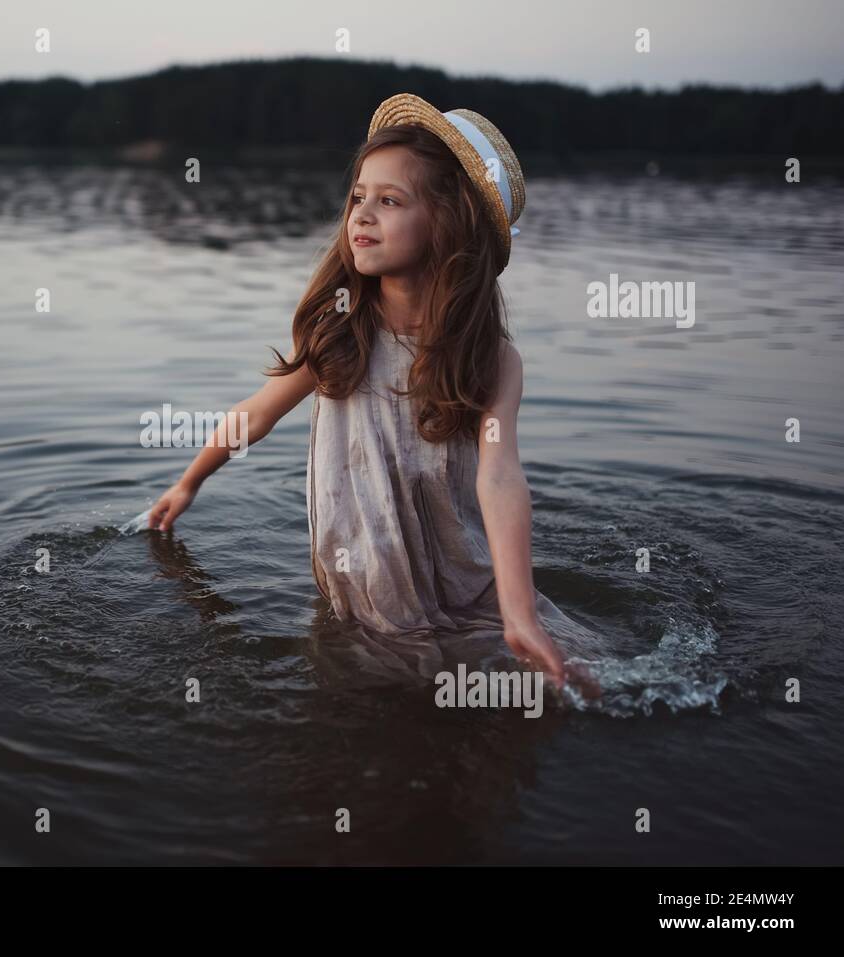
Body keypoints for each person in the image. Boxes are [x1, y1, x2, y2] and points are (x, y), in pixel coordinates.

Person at [148, 93, 599, 696]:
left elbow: (499, 478)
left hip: (463, 576)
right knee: (390, 703)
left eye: (389, 201)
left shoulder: (490, 358)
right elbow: (254, 416)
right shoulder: (342, 330)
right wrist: (188, 481)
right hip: (368, 576)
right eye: (359, 196)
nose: (361, 214)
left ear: (449, 224)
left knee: (568, 683)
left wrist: (520, 611)